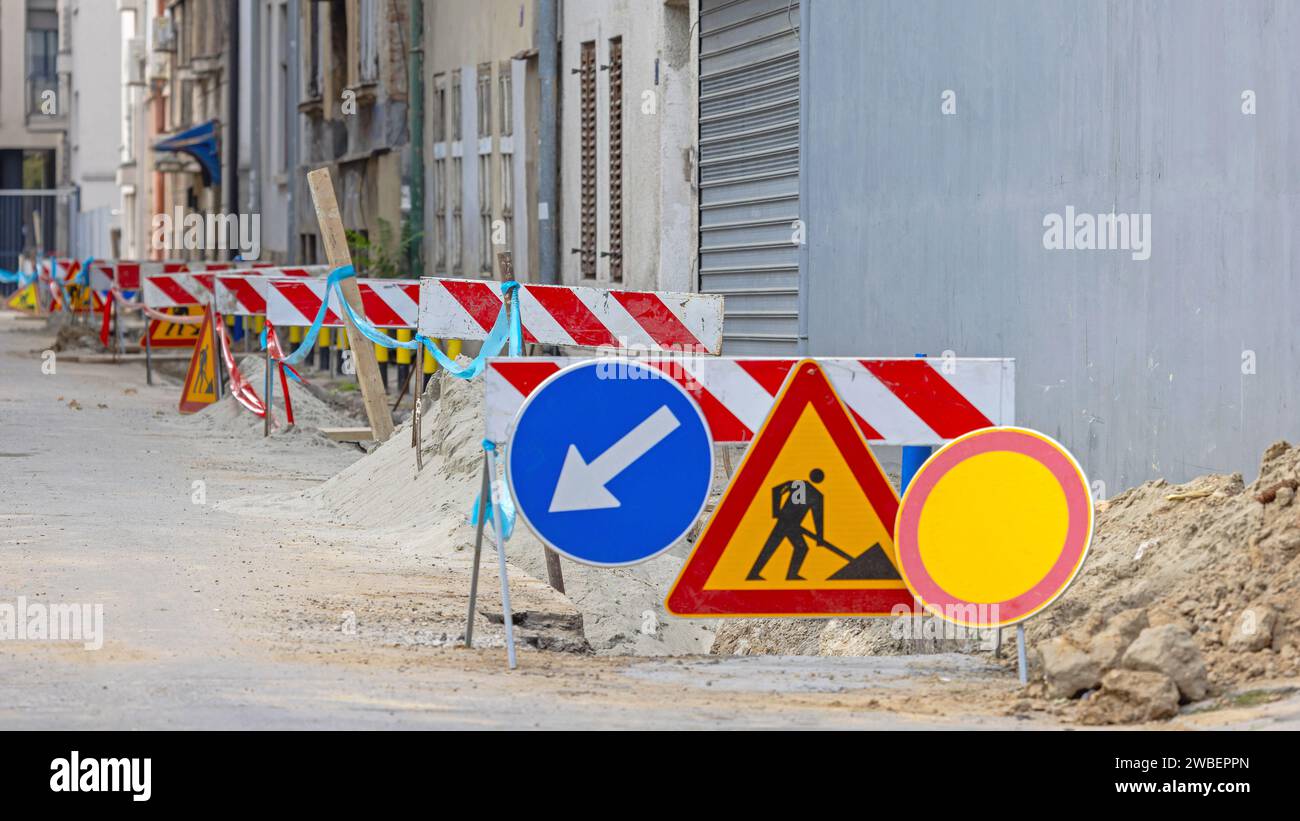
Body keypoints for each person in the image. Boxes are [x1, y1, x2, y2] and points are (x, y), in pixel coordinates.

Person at [746, 469, 825, 581]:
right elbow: (818, 518)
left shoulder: (798, 484)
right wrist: (819, 538)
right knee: (797, 547)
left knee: (773, 546)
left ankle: (754, 574)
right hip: (789, 523)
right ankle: (790, 576)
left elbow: (776, 490)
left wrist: (776, 511)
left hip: (788, 523)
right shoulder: (817, 495)